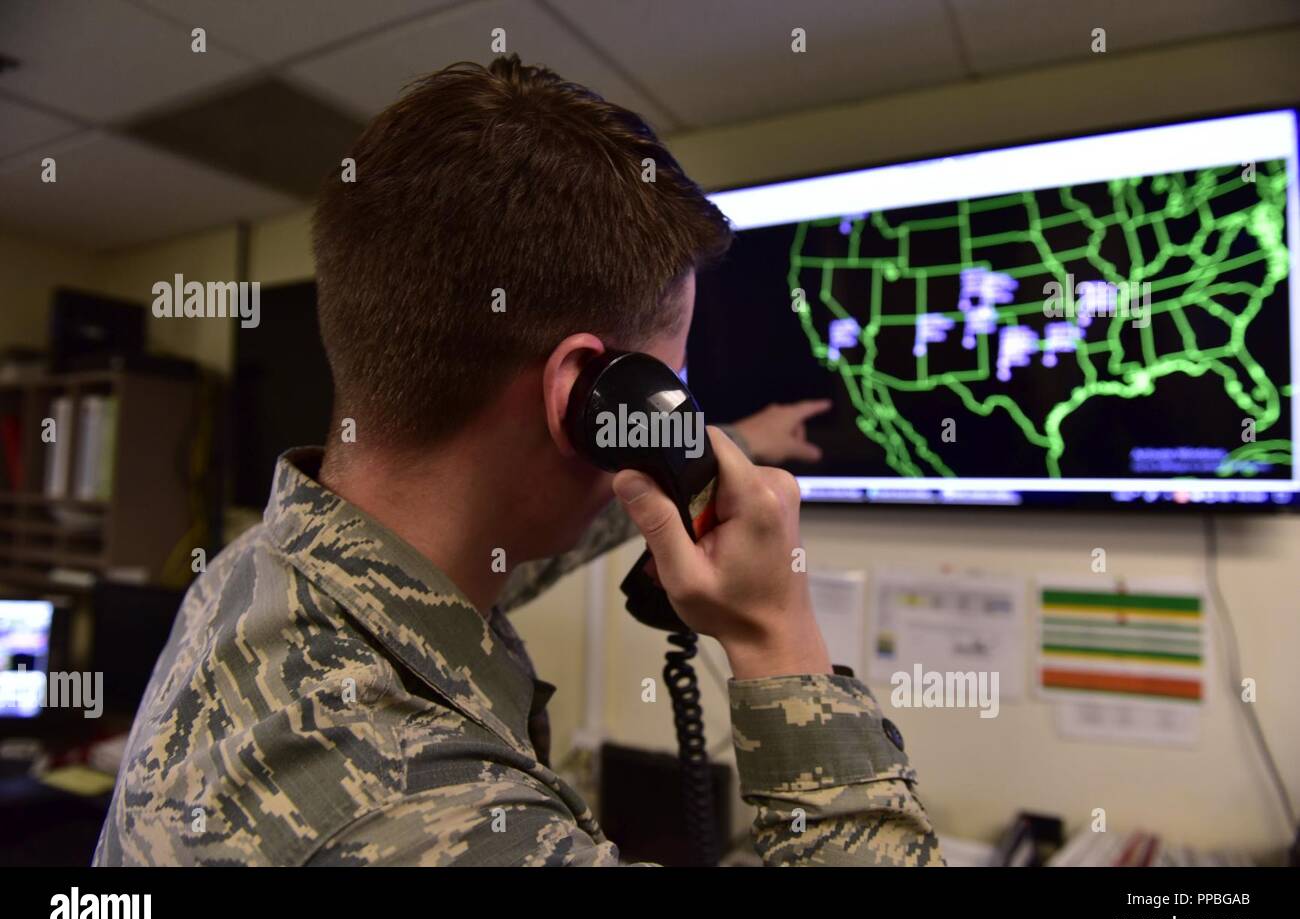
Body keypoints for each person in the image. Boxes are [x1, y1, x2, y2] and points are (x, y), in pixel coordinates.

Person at [94, 56, 943, 867]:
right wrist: (775, 634)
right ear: (583, 393)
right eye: (671, 383)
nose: (679, 415)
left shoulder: (266, 571)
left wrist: (744, 443)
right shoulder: (418, 811)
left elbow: (503, 537)